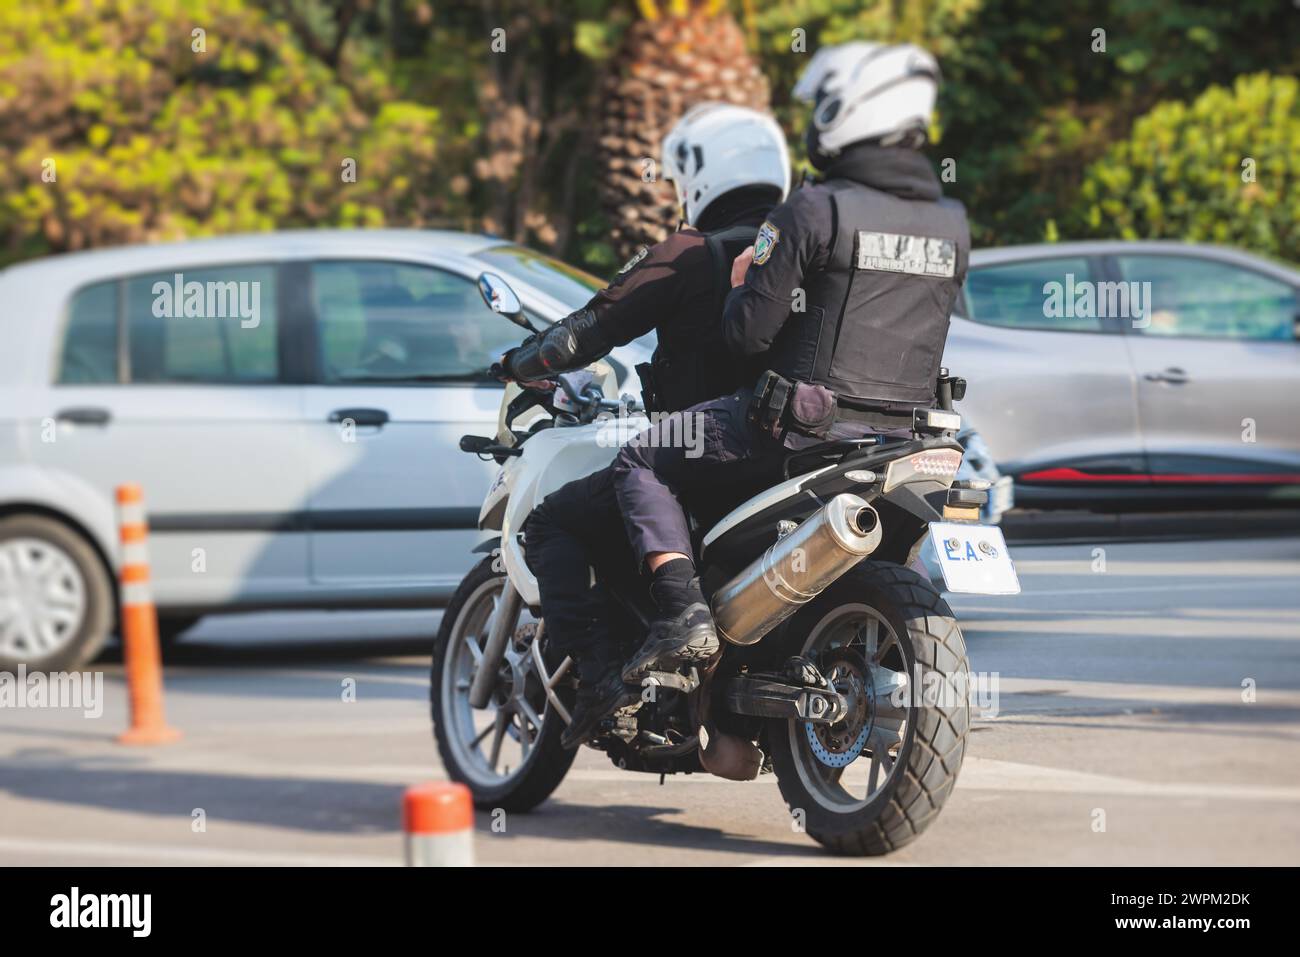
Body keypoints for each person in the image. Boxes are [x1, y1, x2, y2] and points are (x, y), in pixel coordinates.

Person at [611, 42, 973, 684]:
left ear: (851, 110)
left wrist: (746, 282)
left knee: (641, 458)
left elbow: (745, 340)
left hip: (797, 429)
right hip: (905, 436)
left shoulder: (813, 209)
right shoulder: (953, 223)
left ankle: (682, 615)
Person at [499, 104, 791, 748]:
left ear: (701, 177)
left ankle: (604, 684)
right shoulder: (802, 248)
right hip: (797, 452)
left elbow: (588, 332)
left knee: (555, 521)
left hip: (704, 458)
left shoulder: (693, 253)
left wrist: (517, 363)